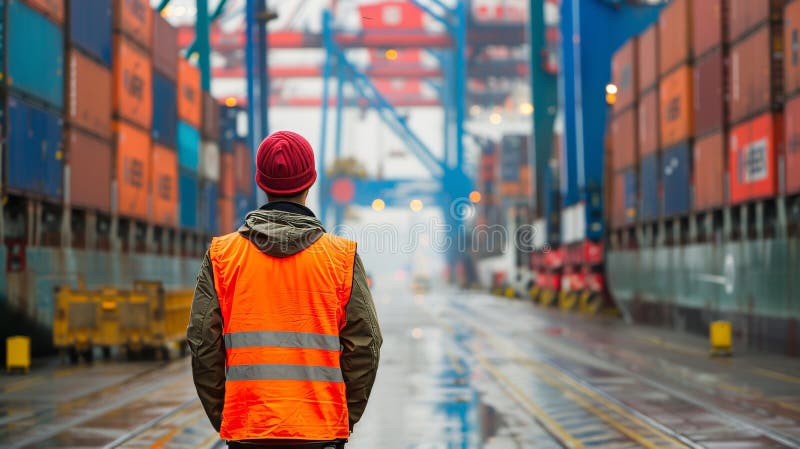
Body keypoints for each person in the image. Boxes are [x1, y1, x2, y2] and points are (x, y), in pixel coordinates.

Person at [187, 131, 382, 449]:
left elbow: (202, 345)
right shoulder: (341, 258)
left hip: (248, 431)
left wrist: (228, 416)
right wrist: (342, 420)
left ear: (260, 181)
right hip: (320, 433)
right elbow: (367, 345)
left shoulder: (223, 255)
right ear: (311, 180)